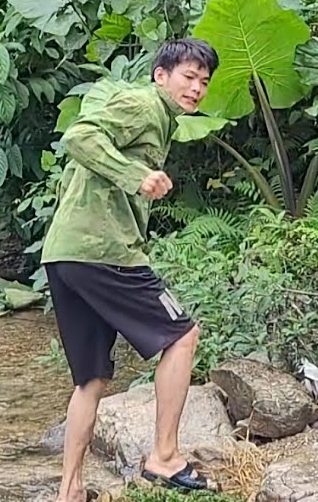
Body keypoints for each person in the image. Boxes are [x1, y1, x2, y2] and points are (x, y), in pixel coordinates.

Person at [39, 39, 221, 501]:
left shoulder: (160, 121)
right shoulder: (143, 104)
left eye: (204, 81)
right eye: (189, 76)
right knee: (182, 335)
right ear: (161, 75)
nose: (197, 88)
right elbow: (79, 137)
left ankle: (71, 490)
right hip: (104, 252)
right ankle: (164, 457)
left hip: (64, 254)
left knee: (92, 379)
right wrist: (134, 176)